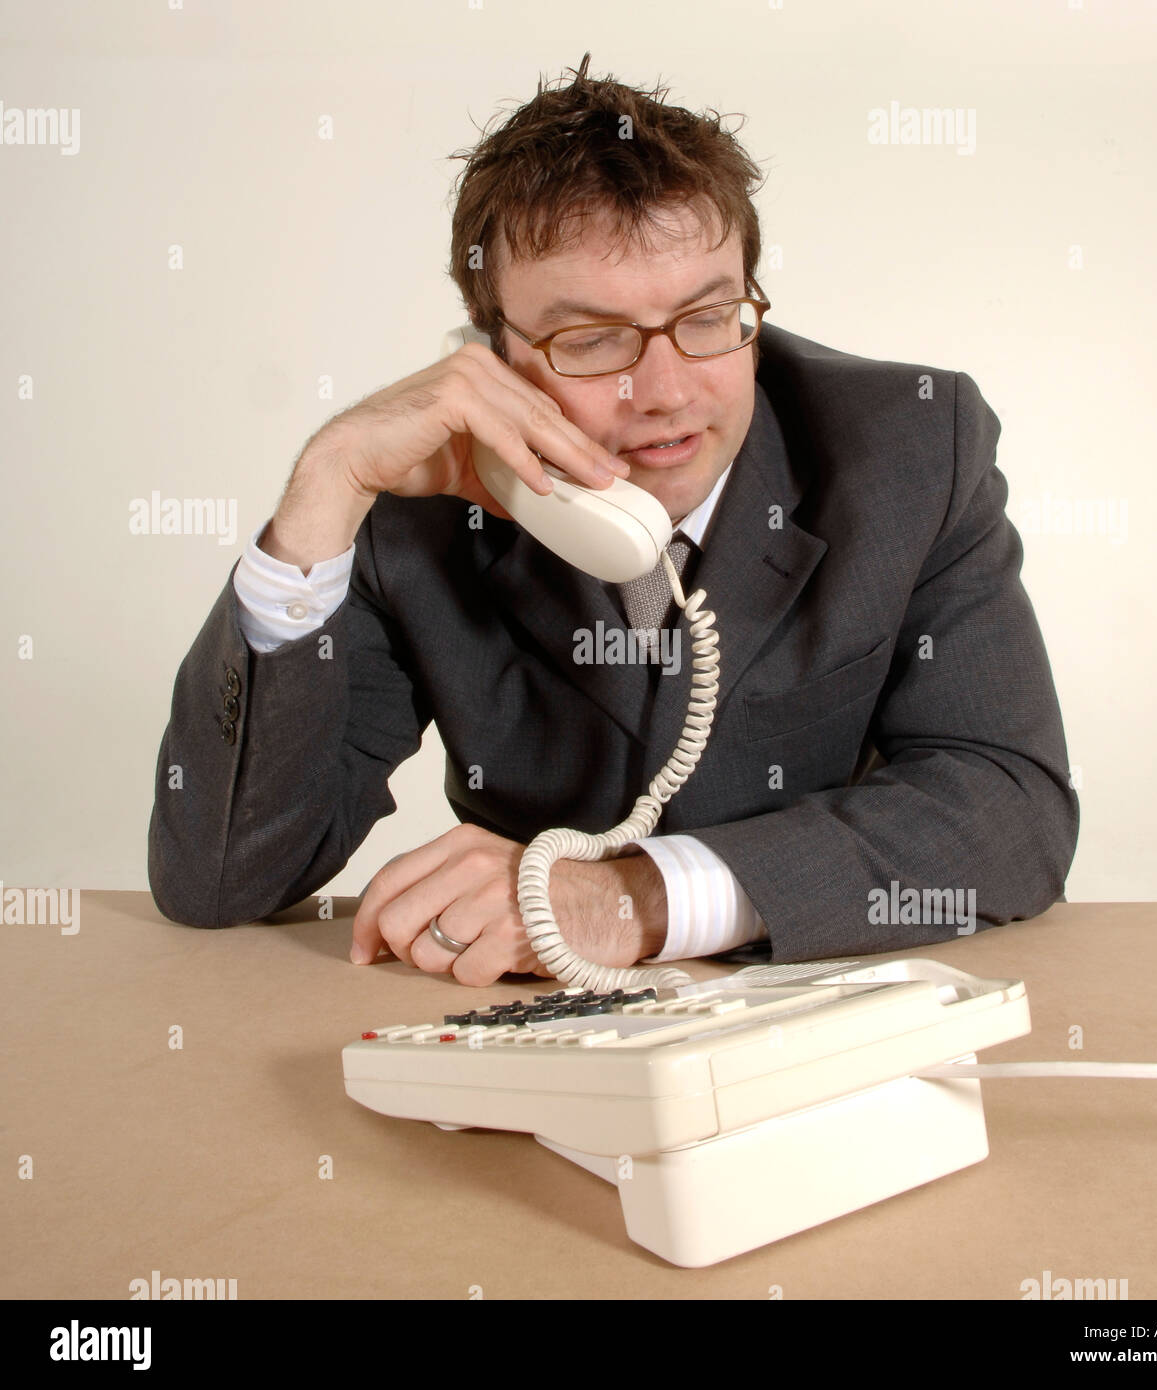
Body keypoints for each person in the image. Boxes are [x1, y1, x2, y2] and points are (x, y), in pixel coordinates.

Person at [148, 54, 1079, 987]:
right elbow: (222, 878)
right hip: (520, 1035)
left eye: (709, 317)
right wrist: (323, 489)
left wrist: (631, 899)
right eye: (590, 341)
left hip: (823, 1015)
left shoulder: (909, 446)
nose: (667, 394)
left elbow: (1008, 808)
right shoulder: (413, 502)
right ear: (492, 355)